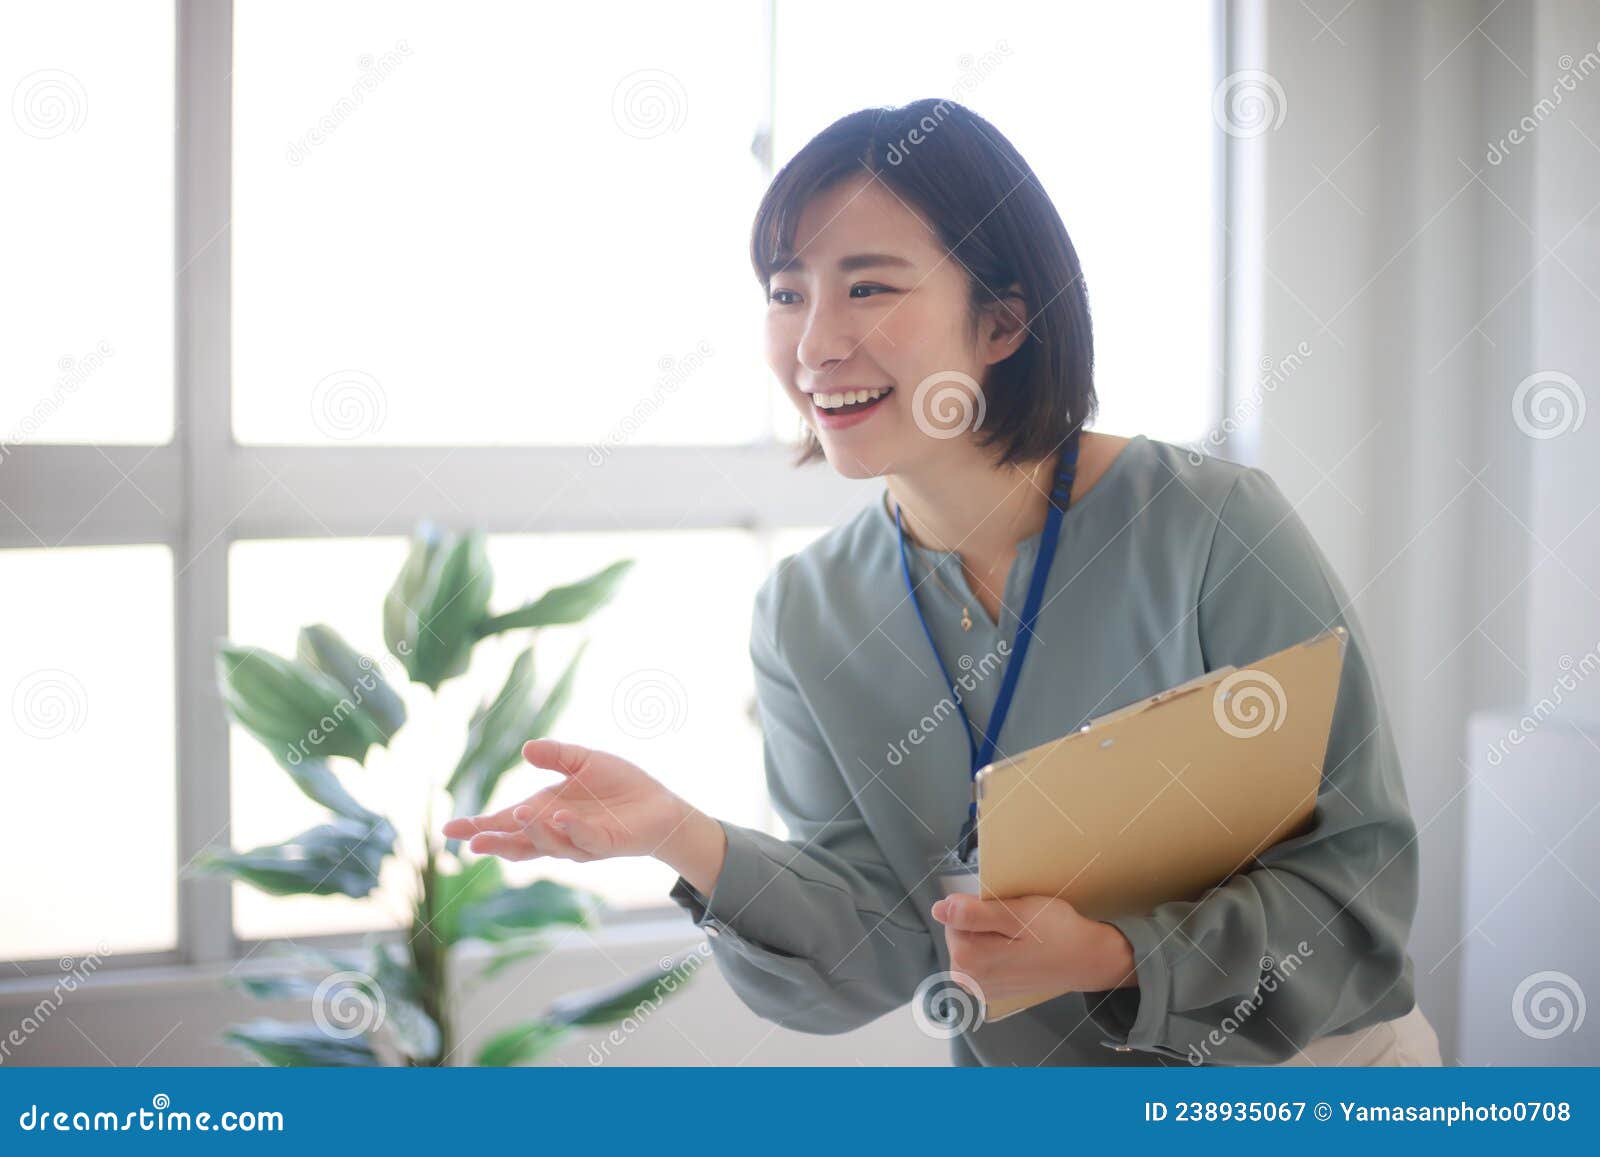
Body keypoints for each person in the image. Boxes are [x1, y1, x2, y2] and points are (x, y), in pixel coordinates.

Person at [442, 99, 1441, 1067]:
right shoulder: (805, 611)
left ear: (1001, 323)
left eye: (867, 287)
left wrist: (1112, 952)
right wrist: (680, 834)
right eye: (787, 292)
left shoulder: (1209, 524)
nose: (815, 341)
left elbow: (1359, 887)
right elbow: (874, 950)